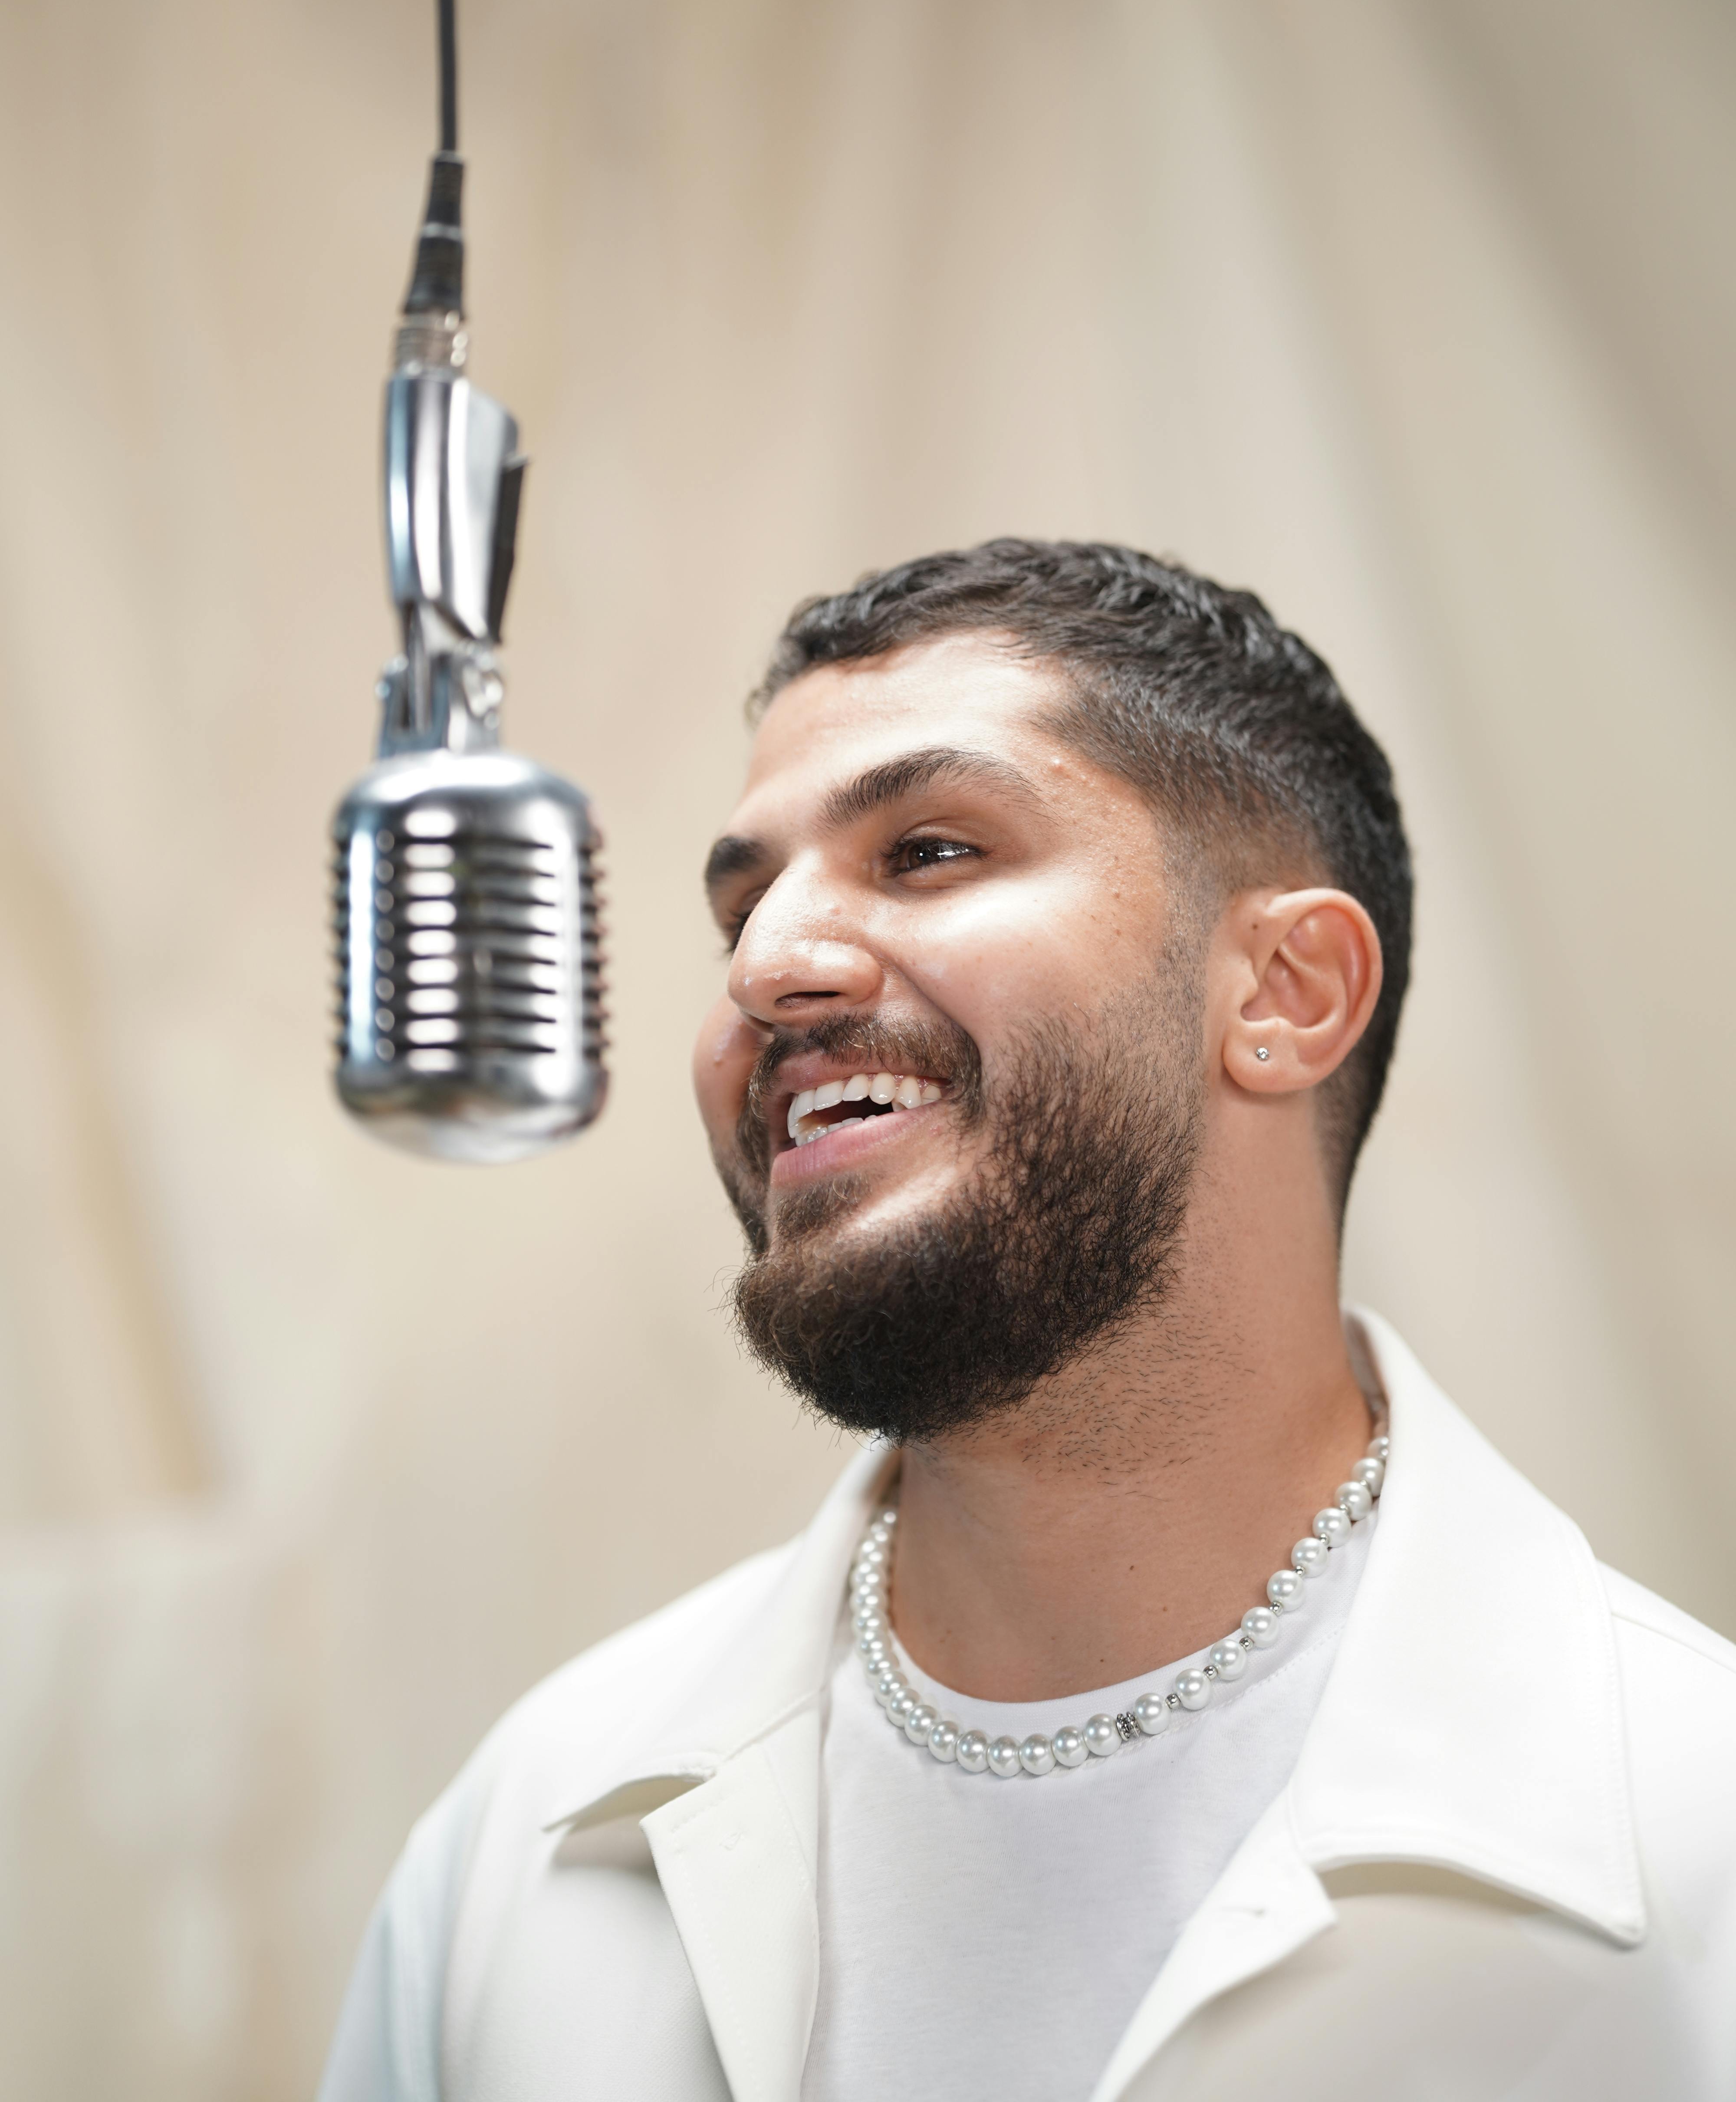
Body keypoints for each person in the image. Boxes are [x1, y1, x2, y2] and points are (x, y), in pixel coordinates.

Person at [319, 539, 1736, 2102]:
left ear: (1286, 992)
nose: (770, 970)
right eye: (742, 914)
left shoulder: (1698, 1845)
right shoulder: (522, 1844)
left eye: (929, 851)